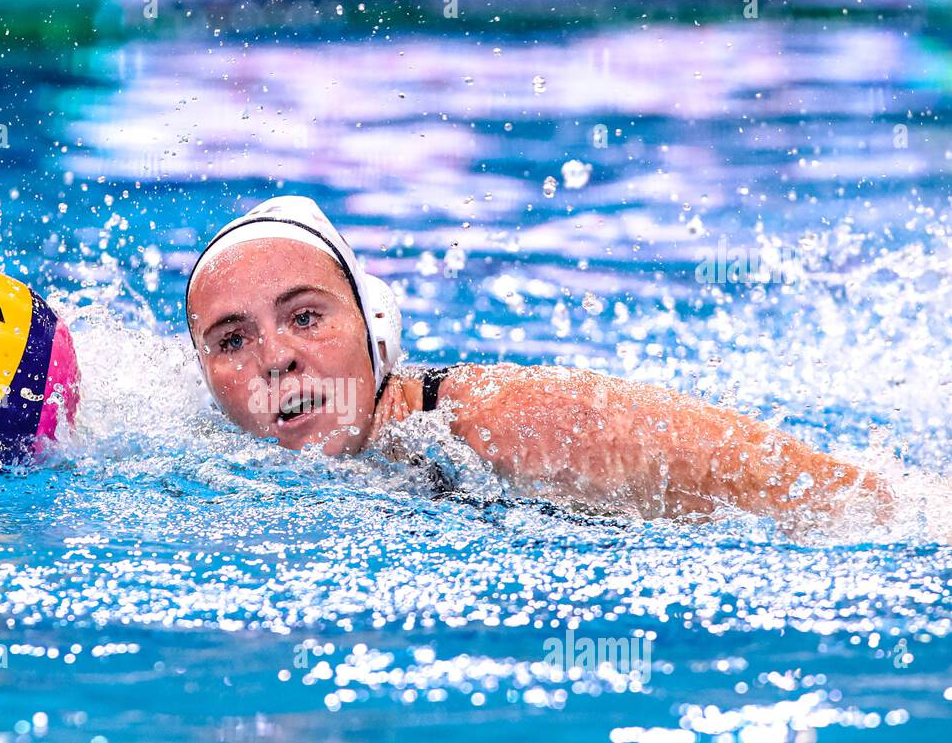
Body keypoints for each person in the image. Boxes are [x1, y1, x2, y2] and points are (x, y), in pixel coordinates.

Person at [184, 195, 894, 530]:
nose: (275, 358)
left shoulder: (504, 421)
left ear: (376, 332)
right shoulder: (208, 458)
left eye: (306, 316)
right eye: (232, 340)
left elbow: (833, 497)